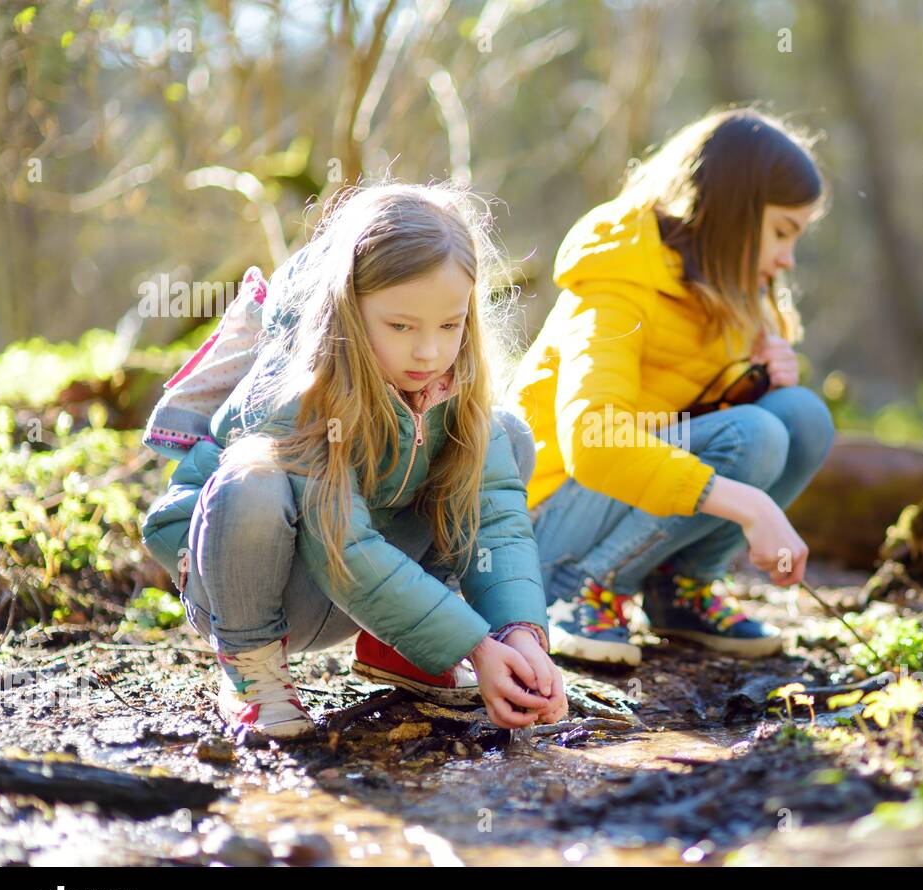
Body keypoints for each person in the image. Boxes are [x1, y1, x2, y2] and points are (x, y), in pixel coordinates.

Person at [141, 182, 568, 737]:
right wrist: (474, 645)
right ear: (346, 309)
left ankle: (409, 652)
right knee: (254, 482)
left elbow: (495, 523)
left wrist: (518, 635)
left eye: (450, 324)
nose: (429, 351)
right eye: (400, 326)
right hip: (252, 584)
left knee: (505, 435)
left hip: (364, 591)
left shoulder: (452, 384)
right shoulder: (299, 390)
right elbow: (341, 542)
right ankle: (253, 674)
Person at [508, 107, 836, 667]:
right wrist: (752, 508)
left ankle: (681, 593)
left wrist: (755, 381)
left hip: (609, 506)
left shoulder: (738, 299)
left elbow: (693, 423)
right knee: (757, 433)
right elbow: (595, 438)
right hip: (536, 529)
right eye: (782, 232)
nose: (787, 258)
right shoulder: (620, 274)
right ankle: (580, 589)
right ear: (733, 212)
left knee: (799, 417)